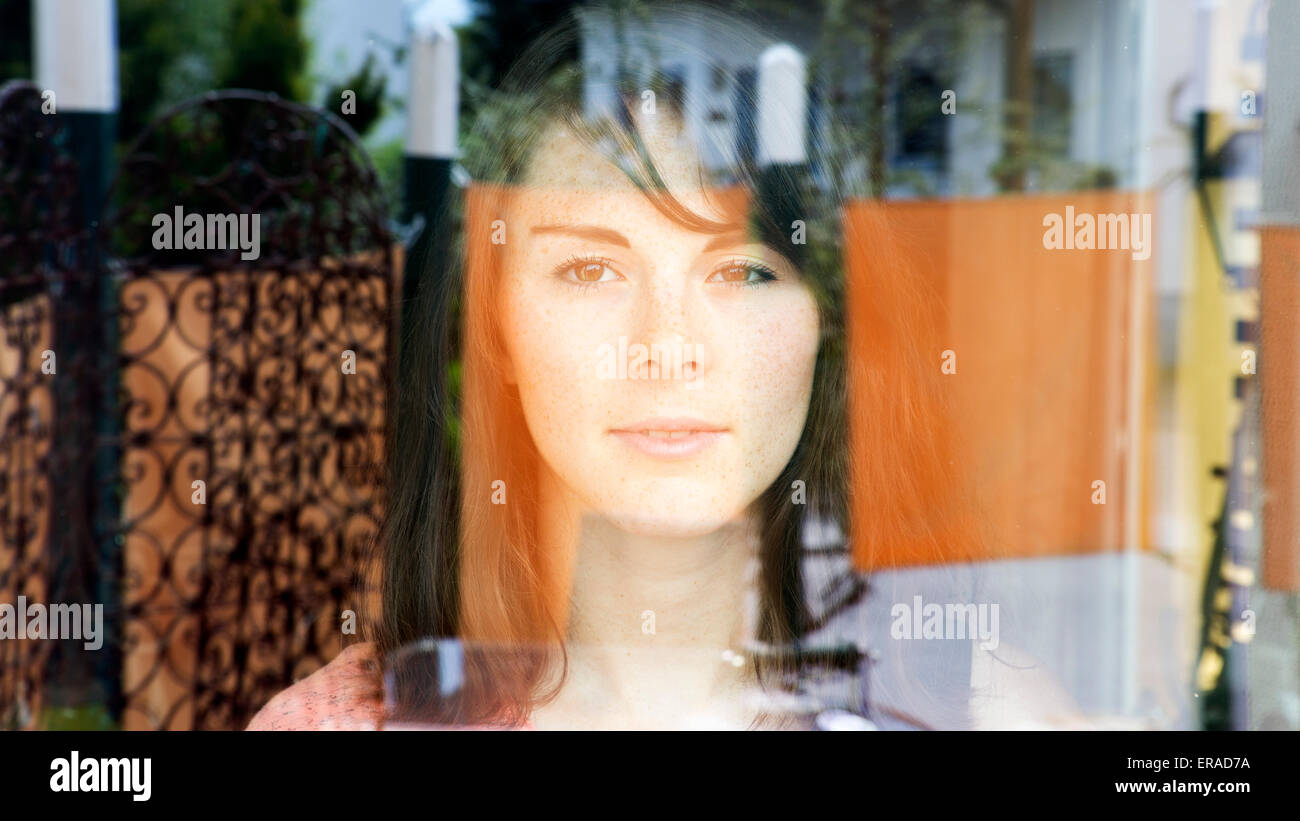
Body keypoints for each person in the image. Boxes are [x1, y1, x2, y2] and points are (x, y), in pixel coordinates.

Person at [248, 2, 1039, 731]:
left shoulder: (984, 713)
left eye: (742, 271)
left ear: (822, 327)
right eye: (591, 270)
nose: (666, 345)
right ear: (497, 335)